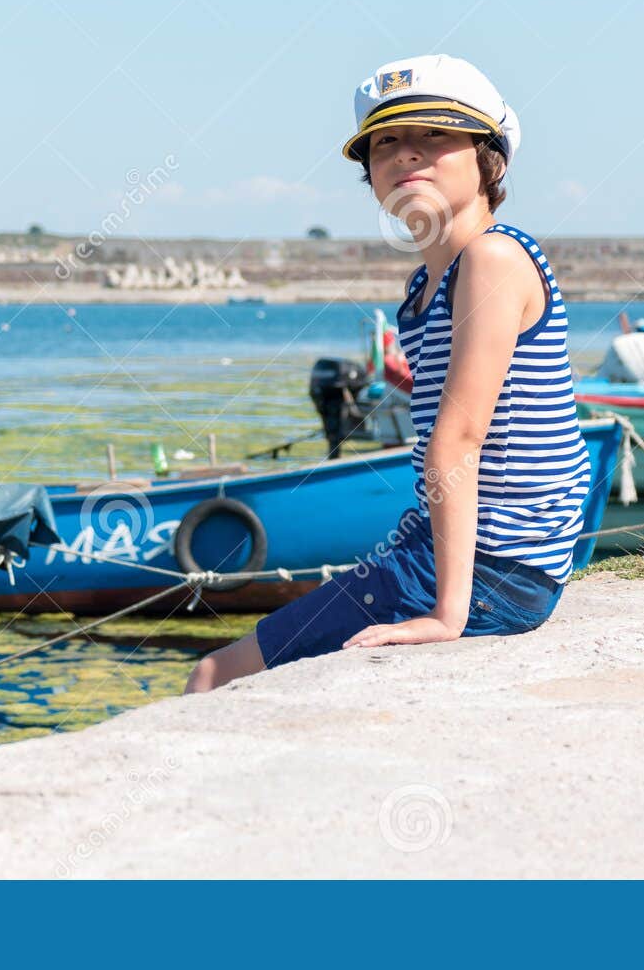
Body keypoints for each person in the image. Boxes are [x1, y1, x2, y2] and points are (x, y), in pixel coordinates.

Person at [185, 55, 592, 694]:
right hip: (464, 558)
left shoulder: (492, 258)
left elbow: (458, 440)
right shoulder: (423, 288)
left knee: (212, 677)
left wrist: (447, 613)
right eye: (386, 143)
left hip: (489, 572)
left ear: (492, 159)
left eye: (434, 136)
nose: (407, 155)